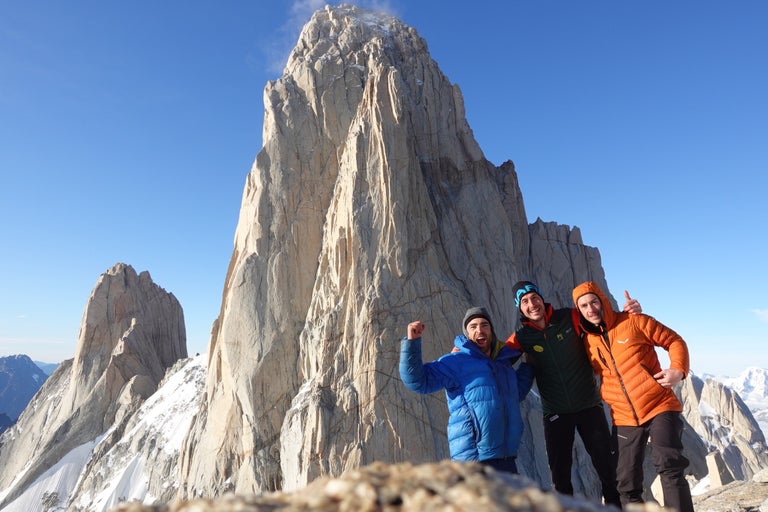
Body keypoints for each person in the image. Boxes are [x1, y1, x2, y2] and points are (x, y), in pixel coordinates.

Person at [506, 281, 639, 508]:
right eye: (525, 301)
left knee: (607, 468)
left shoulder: (570, 317)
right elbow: (497, 359)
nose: (532, 304)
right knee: (560, 476)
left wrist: (629, 314)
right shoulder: (522, 337)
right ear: (520, 307)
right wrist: (465, 353)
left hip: (589, 406)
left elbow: (601, 320)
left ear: (542, 298)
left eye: (534, 297)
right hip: (555, 413)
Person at [572, 281, 693, 512]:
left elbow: (674, 340)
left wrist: (678, 370)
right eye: (584, 306)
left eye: (594, 302)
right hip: (624, 416)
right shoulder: (587, 341)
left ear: (603, 301)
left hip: (658, 404)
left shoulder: (634, 321)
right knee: (625, 483)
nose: (590, 309)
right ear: (579, 311)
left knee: (669, 465)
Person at [399, 307, 534, 474]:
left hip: (506, 458)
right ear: (467, 334)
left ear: (491, 331)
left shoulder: (502, 364)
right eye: (473, 326)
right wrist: (412, 343)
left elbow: (514, 395)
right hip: (474, 460)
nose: (480, 330)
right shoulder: (456, 362)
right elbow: (419, 381)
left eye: (484, 325)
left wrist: (528, 367)